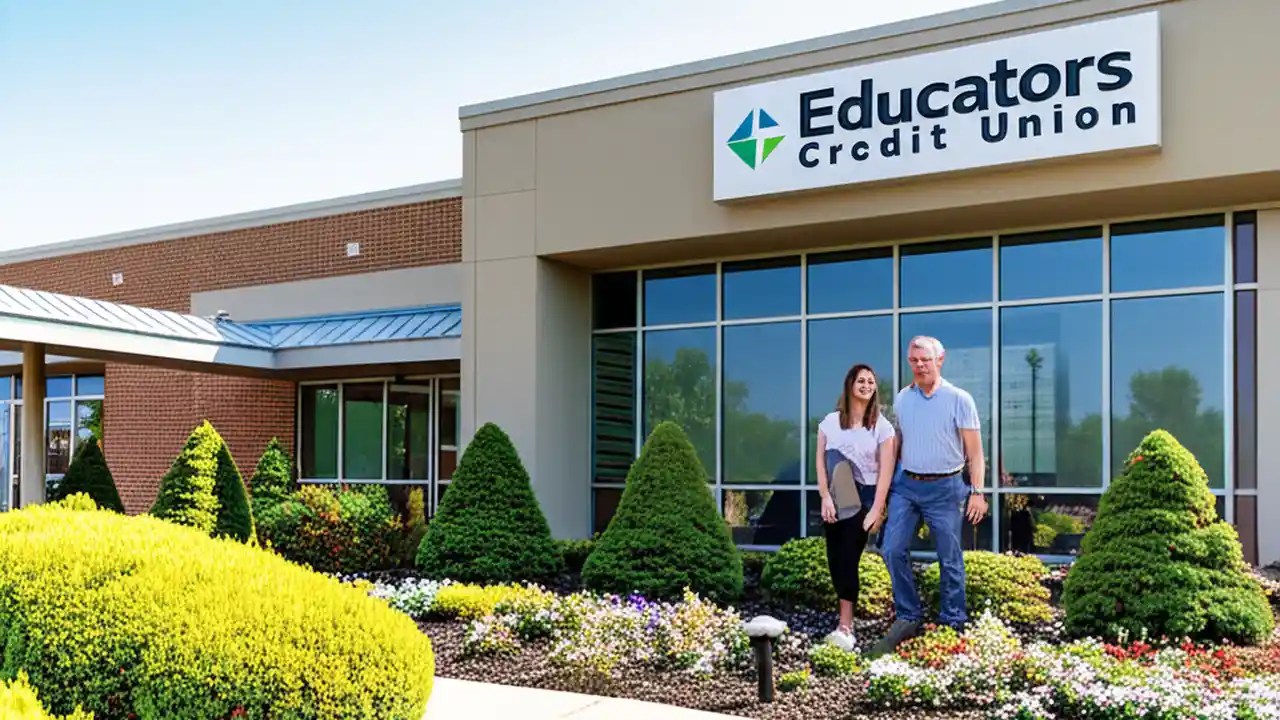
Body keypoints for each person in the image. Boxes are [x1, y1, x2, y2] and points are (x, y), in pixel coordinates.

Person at [870, 335, 987, 657]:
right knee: (892, 549)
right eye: (913, 360)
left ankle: (953, 622)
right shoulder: (903, 399)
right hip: (907, 485)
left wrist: (977, 492)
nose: (919, 365)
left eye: (925, 359)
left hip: (946, 488)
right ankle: (908, 615)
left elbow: (975, 454)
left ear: (940, 359)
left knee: (949, 557)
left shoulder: (959, 398)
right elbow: (897, 447)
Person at [814, 363, 896, 651]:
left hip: (864, 496)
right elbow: (821, 463)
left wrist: (876, 508)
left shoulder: (882, 427)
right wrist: (824, 496)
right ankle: (843, 618)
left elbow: (887, 470)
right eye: (861, 380)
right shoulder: (830, 422)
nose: (866, 385)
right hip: (835, 496)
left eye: (871, 381)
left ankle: (846, 626)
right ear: (850, 384)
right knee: (835, 557)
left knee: (849, 557)